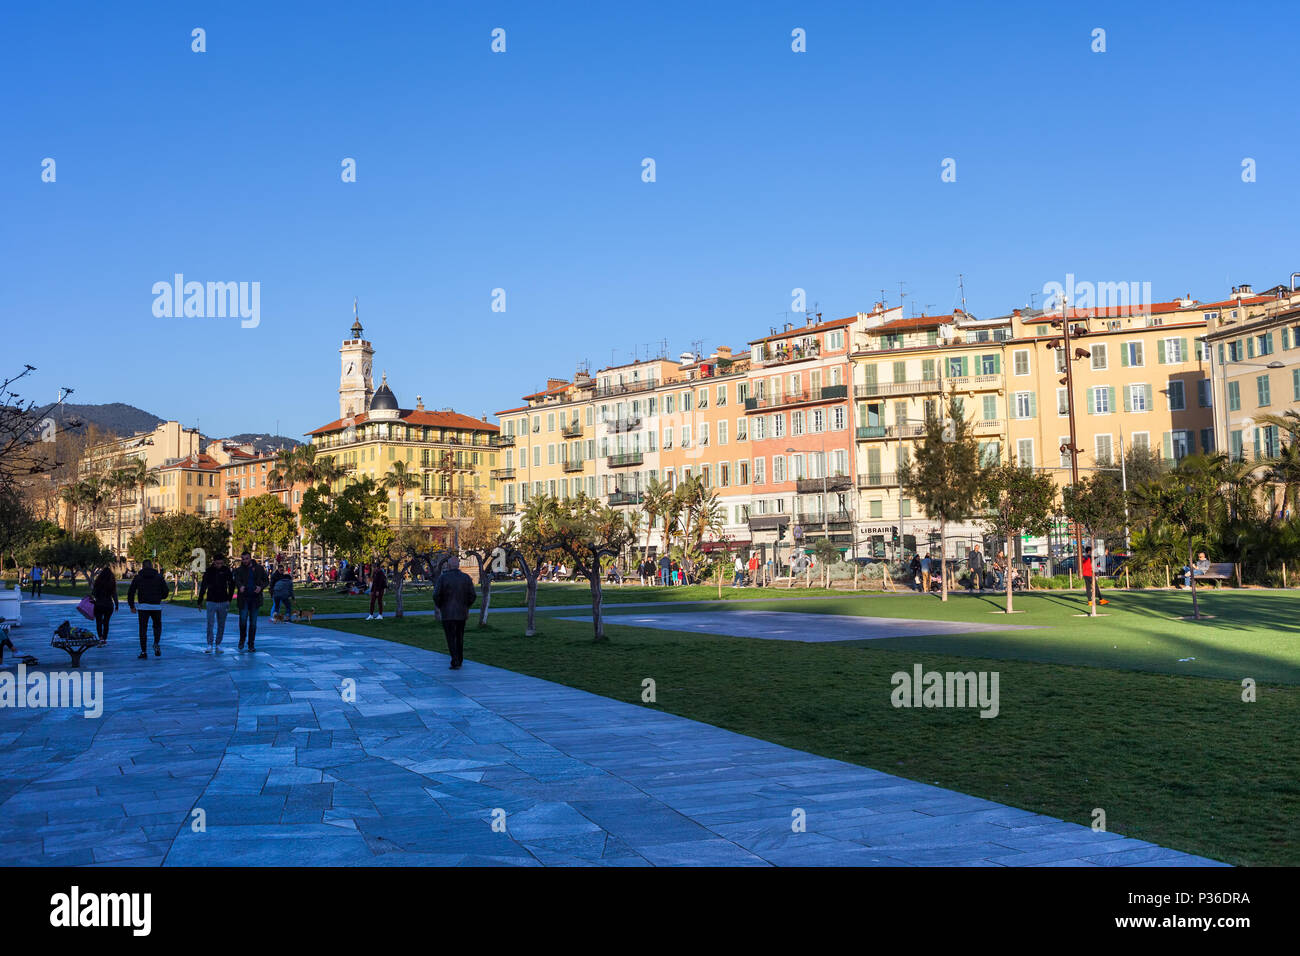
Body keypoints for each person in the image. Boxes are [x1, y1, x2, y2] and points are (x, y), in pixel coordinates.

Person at [433, 556, 477, 669]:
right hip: (461, 613)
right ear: (458, 565)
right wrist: (466, 606)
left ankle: (455, 659)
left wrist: (441, 606)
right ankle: (459, 659)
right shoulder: (465, 578)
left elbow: (436, 595)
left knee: (450, 637)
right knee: (459, 636)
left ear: (448, 565)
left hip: (447, 613)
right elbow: (472, 595)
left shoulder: (443, 578)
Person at [127, 559, 170, 659]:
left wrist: (132, 605)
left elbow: (131, 591)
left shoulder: (138, 577)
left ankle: (143, 651)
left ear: (142, 566)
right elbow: (166, 591)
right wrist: (160, 597)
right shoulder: (159, 577)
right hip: (156, 606)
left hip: (143, 607)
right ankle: (156, 643)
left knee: (143, 629)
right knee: (157, 626)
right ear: (152, 566)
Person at [198, 554, 235, 653]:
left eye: (221, 563)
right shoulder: (209, 571)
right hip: (211, 601)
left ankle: (218, 644)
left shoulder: (226, 570)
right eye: (217, 563)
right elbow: (204, 586)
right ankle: (209, 644)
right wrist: (200, 600)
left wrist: (229, 598)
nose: (219, 565)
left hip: (223, 601)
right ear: (214, 562)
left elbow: (231, 584)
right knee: (210, 623)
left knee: (221, 624)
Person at [233, 551, 268, 651]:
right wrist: (240, 587)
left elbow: (266, 581)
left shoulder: (259, 568)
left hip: (255, 599)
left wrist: (260, 587)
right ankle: (242, 639)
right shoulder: (239, 570)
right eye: (243, 559)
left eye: (246, 558)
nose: (245, 561)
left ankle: (251, 644)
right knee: (243, 621)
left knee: (253, 623)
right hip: (244, 599)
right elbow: (236, 580)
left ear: (250, 558)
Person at [91, 565, 118, 643]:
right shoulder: (112, 582)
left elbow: (94, 593)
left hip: (98, 604)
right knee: (106, 622)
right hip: (108, 605)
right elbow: (114, 595)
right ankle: (105, 638)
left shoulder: (98, 582)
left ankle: (101, 637)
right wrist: (117, 605)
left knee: (98, 622)